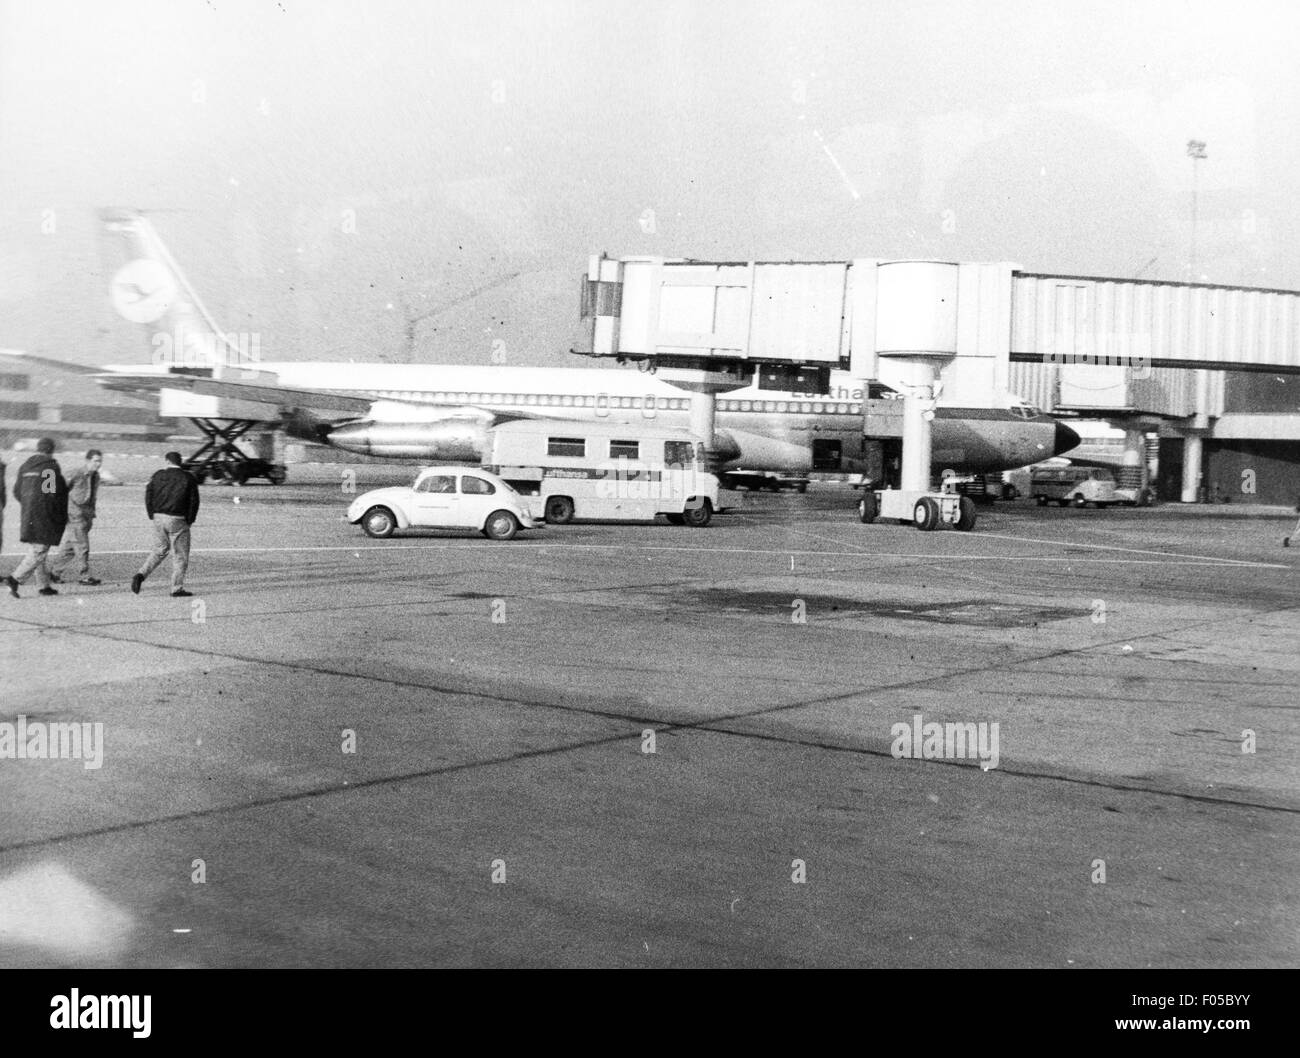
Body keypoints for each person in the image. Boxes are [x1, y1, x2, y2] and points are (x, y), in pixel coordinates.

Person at [4, 437, 68, 599]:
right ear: (51, 450)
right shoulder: (50, 467)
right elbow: (51, 493)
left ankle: (44, 586)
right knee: (40, 550)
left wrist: (29, 504)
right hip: (44, 515)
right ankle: (15, 578)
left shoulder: (25, 466)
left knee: (37, 549)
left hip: (28, 514)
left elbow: (17, 491)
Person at [132, 451, 200, 597]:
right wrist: (190, 520)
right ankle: (176, 588)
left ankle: (140, 574)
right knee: (180, 555)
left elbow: (148, 494)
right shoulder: (188, 478)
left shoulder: (157, 475)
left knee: (159, 550)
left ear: (167, 461)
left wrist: (152, 513)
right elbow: (194, 501)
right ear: (180, 462)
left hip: (158, 517)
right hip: (178, 519)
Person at [49, 449, 103, 586]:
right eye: (96, 460)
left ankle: (54, 573)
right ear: (87, 460)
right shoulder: (76, 473)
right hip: (75, 515)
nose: (98, 464)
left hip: (87, 515)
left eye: (100, 461)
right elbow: (59, 487)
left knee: (70, 548)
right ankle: (84, 576)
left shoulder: (96, 476)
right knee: (83, 546)